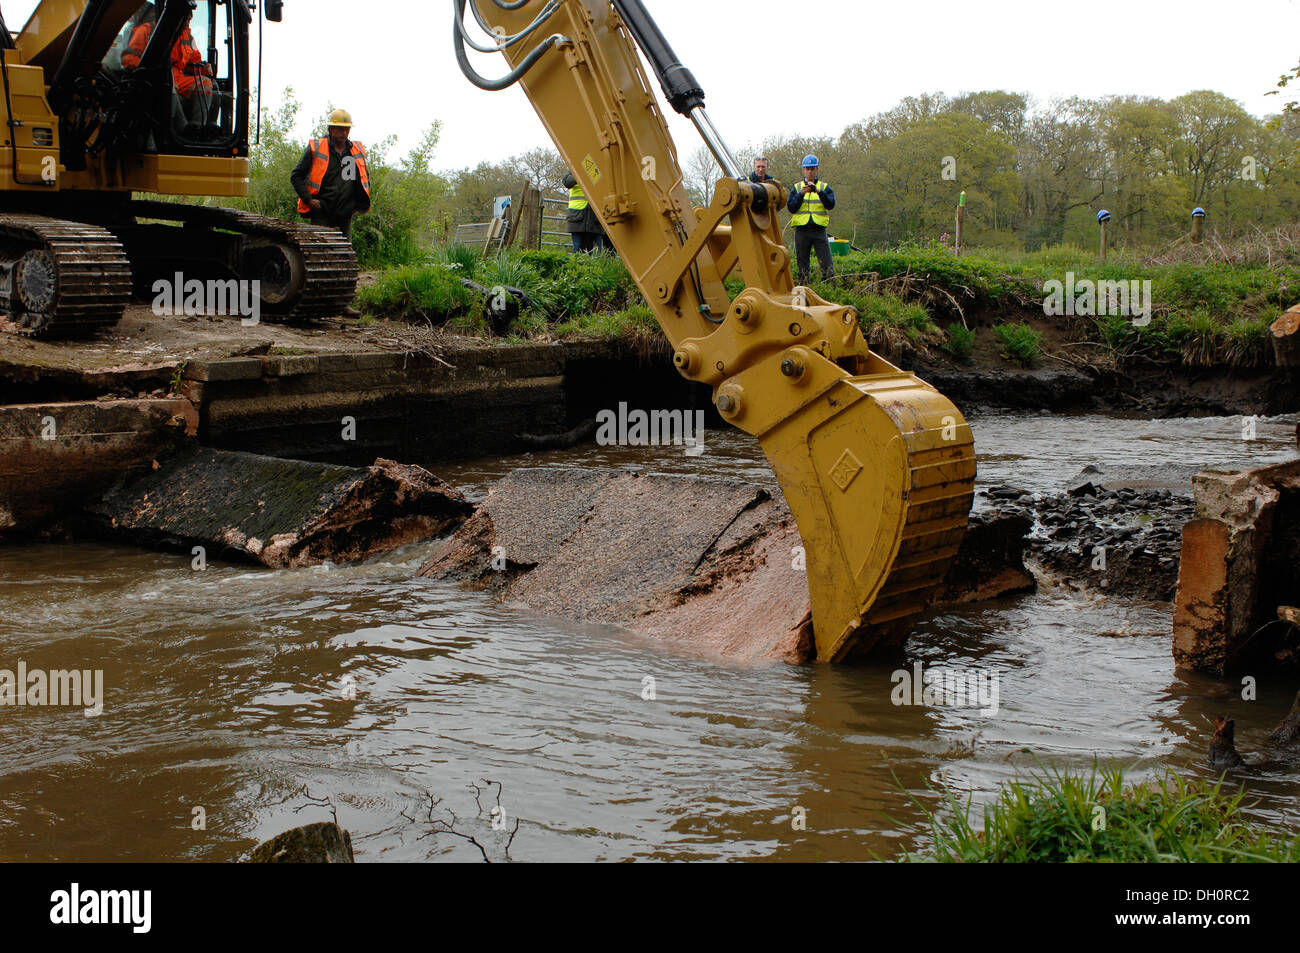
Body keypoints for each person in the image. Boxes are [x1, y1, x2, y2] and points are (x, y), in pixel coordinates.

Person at [291, 108, 371, 246]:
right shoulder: (317, 148)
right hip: (322, 211)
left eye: (347, 129)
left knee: (344, 254)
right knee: (319, 253)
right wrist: (308, 200)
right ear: (331, 129)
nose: (345, 133)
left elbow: (354, 180)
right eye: (341, 129)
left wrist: (356, 204)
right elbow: (296, 176)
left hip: (345, 214)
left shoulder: (352, 151)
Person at [787, 154, 836, 283]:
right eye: (807, 169)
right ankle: (803, 291)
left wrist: (819, 192)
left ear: (817, 169)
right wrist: (801, 194)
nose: (810, 171)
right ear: (803, 170)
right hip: (802, 230)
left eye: (812, 168)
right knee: (802, 266)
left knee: (827, 264)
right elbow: (791, 207)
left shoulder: (824, 187)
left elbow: (830, 205)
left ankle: (830, 290)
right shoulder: (797, 187)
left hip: (819, 230)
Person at [170, 12, 218, 137]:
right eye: (187, 15)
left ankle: (198, 128)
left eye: (190, 16)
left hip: (179, 78)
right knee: (167, 79)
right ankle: (183, 128)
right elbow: (130, 58)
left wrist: (204, 70)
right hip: (161, 77)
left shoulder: (188, 37)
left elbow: (194, 63)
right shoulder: (153, 31)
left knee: (206, 83)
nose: (189, 19)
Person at [563, 171, 609, 253]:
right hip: (578, 219)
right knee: (578, 252)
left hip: (595, 221)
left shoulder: (601, 168)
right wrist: (583, 172)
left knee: (596, 253)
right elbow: (567, 182)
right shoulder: (574, 168)